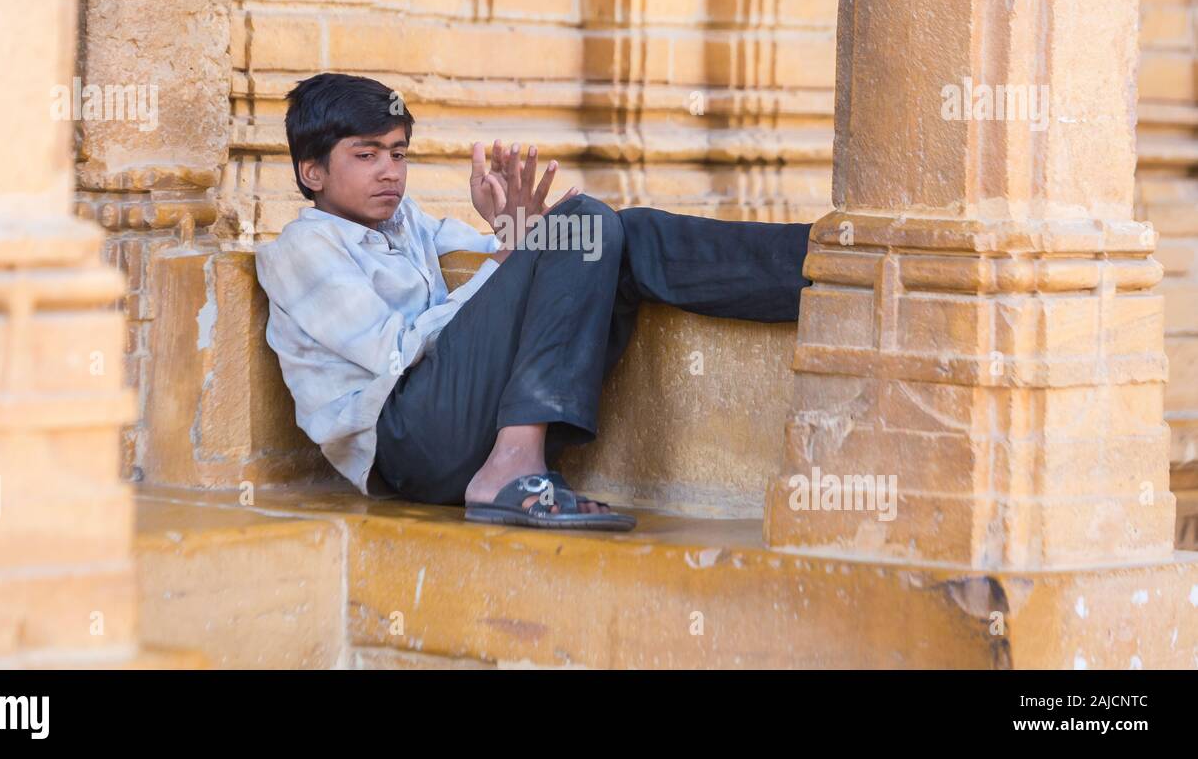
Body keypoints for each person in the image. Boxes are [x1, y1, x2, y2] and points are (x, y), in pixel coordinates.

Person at [255, 73, 813, 531]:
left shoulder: (408, 224)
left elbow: (513, 263)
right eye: (366, 154)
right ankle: (512, 468)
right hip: (406, 448)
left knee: (623, 233)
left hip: (459, 423)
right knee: (584, 223)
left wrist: (512, 233)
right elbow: (395, 351)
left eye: (398, 154)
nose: (389, 172)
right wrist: (514, 252)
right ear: (313, 171)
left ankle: (818, 267)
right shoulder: (302, 247)